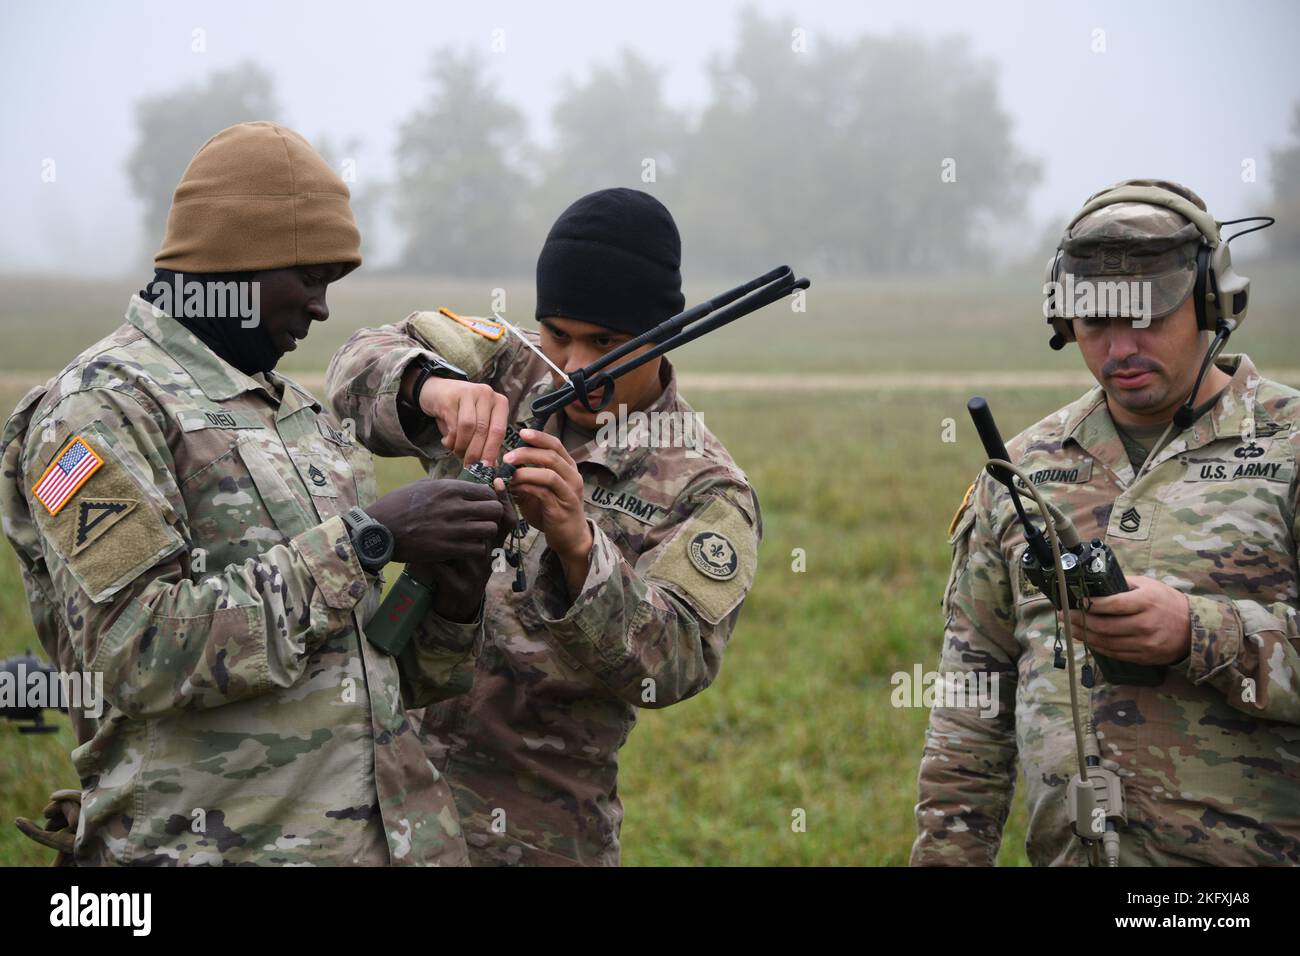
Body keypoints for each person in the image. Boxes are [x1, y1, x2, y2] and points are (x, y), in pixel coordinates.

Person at [0, 121, 506, 866]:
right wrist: (372, 538)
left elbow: (377, 676)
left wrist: (450, 593)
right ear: (234, 262)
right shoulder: (96, 411)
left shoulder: (297, 415)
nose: (323, 308)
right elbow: (140, 652)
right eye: (309, 277)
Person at [326, 188, 762, 865]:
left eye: (607, 344)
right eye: (559, 333)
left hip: (539, 825)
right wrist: (431, 390)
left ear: (665, 332)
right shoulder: (506, 363)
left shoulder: (707, 487)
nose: (578, 367)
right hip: (388, 796)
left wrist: (579, 547)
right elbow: (355, 362)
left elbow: (674, 664)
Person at [911, 179, 1300, 866]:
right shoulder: (1023, 469)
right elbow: (971, 706)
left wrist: (1196, 632)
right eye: (1094, 323)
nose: (1120, 347)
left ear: (1212, 303)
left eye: (1146, 318)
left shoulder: (1289, 448)